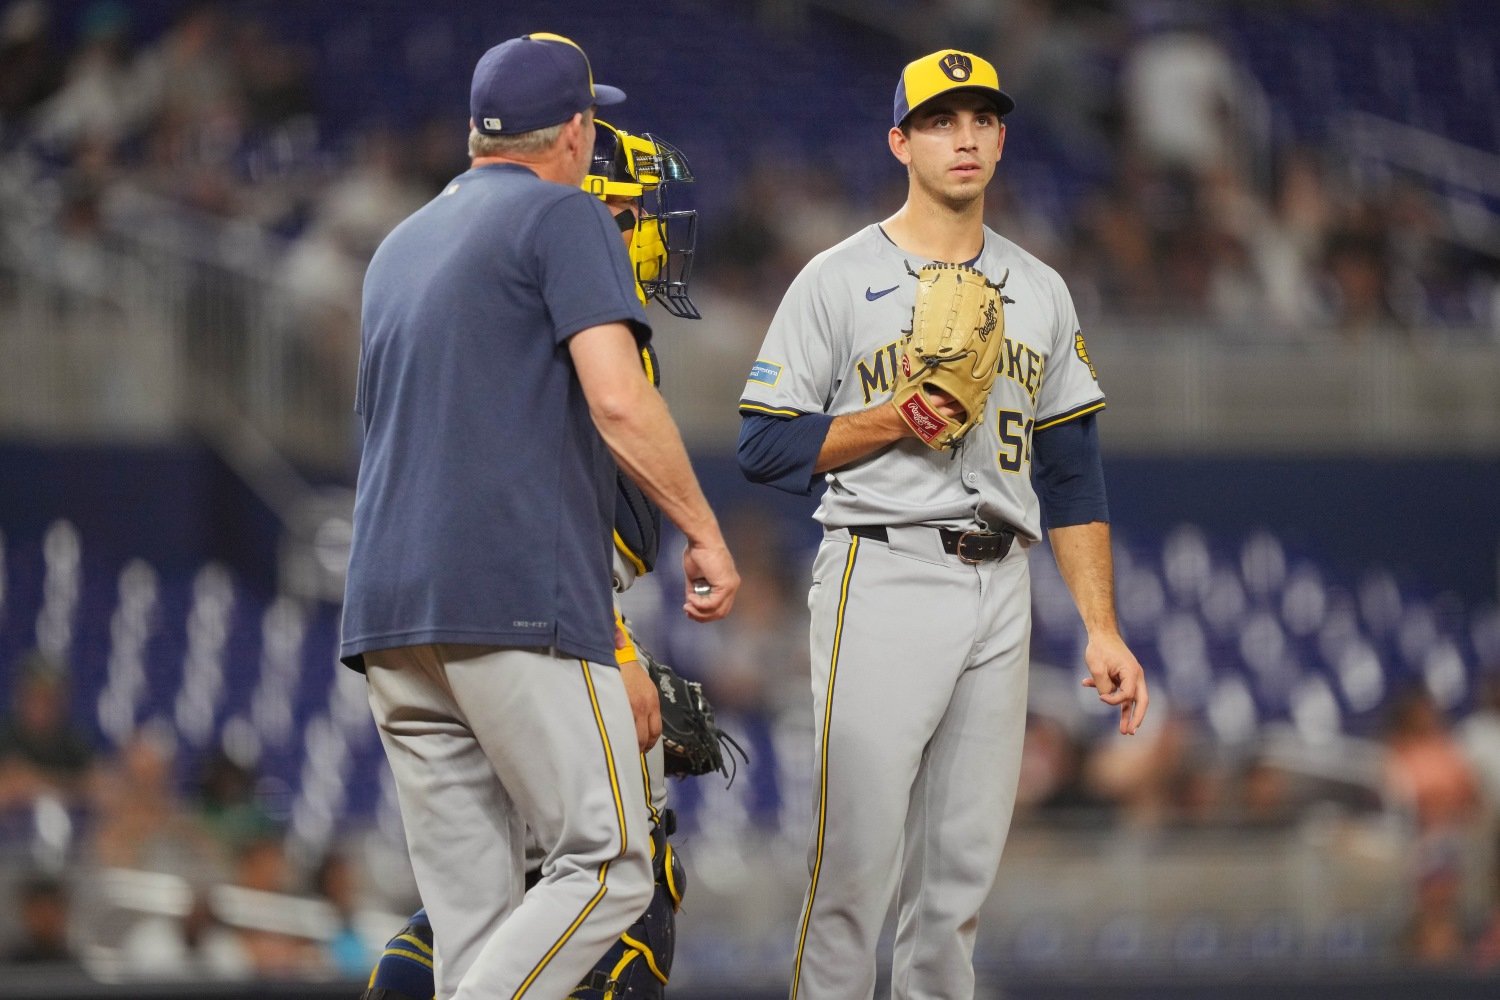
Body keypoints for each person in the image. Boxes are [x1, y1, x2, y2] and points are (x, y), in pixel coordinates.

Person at [736, 48, 1149, 998]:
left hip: (1002, 582)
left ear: (1002, 139)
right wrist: (900, 417)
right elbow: (762, 445)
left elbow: (1073, 474)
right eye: (938, 121)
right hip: (881, 569)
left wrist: (1100, 626)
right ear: (900, 141)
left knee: (956, 886)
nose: (962, 138)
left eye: (980, 121)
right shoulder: (837, 278)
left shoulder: (1040, 288)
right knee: (854, 874)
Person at [339, 33, 737, 999]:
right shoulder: (563, 217)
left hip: (388, 621)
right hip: (510, 604)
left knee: (478, 926)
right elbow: (615, 398)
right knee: (608, 867)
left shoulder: (399, 245)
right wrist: (705, 530)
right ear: (575, 128)